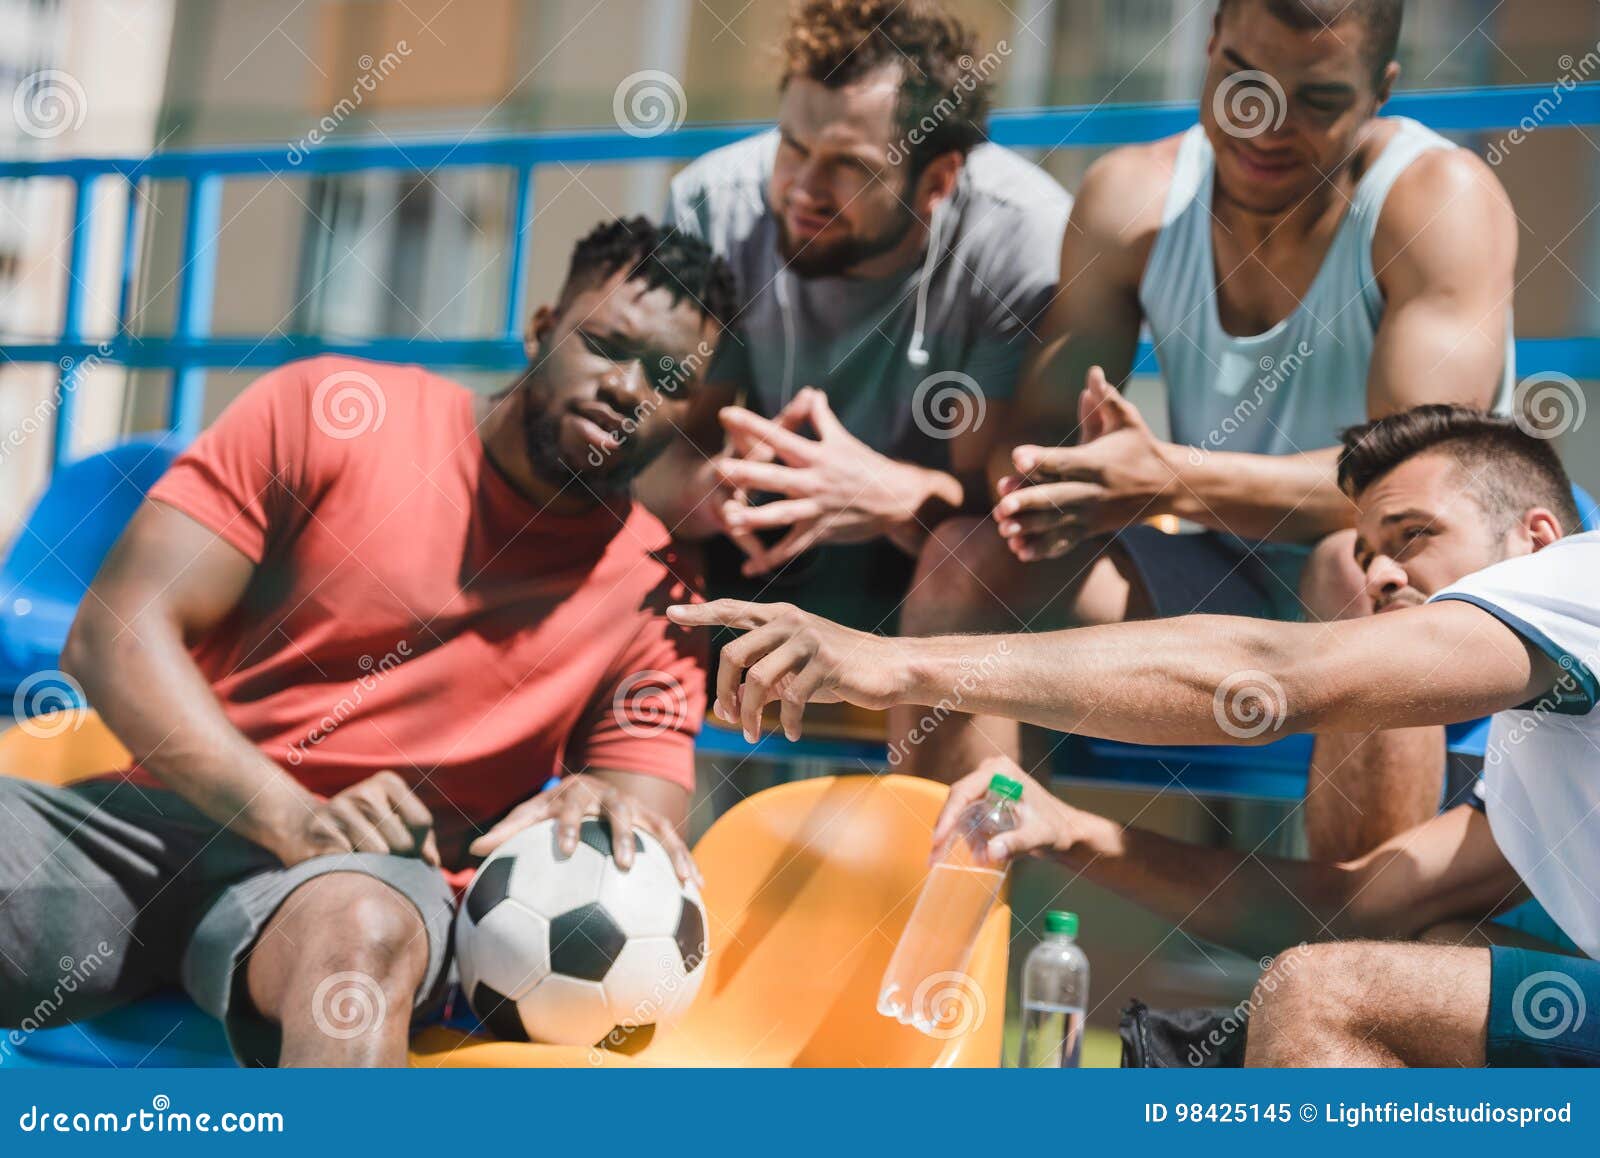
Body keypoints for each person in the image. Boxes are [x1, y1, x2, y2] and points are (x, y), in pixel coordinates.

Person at [0, 217, 737, 1068]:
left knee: (361, 938)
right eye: (605, 345)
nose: (627, 387)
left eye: (668, 377)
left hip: (366, 875)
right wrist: (292, 815)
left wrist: (607, 810)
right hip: (166, 818)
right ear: (543, 326)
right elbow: (113, 635)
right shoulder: (332, 410)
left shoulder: (658, 587)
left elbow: (636, 811)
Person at [670, 404, 1600, 1067]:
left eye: (1412, 534)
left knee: (1323, 998)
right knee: (1416, 948)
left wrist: (902, 663)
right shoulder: (1536, 762)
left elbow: (1277, 677)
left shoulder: (1580, 582)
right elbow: (1349, 906)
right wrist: (1074, 830)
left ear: (1536, 535)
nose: (1384, 574)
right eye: (1367, 551)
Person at [893, 0, 1518, 869]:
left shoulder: (1437, 200)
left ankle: (1353, 984)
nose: (1267, 123)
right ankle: (938, 955)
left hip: (1426, 588)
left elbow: (1408, 493)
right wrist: (1064, 472)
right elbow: (1028, 441)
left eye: (1318, 97)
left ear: (1381, 92)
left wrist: (1164, 480)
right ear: (1208, 49)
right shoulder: (1131, 196)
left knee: (1364, 571)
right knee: (966, 568)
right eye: (1241, 79)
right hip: (1234, 569)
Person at [645, 0, 1071, 633]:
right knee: (606, 533)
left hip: (926, 559)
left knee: (964, 559)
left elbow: (1008, 504)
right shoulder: (714, 205)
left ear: (938, 180)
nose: (801, 190)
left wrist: (892, 496)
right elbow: (657, 449)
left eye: (850, 165)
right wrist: (709, 488)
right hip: (760, 546)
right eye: (790, 147)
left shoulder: (1020, 240)